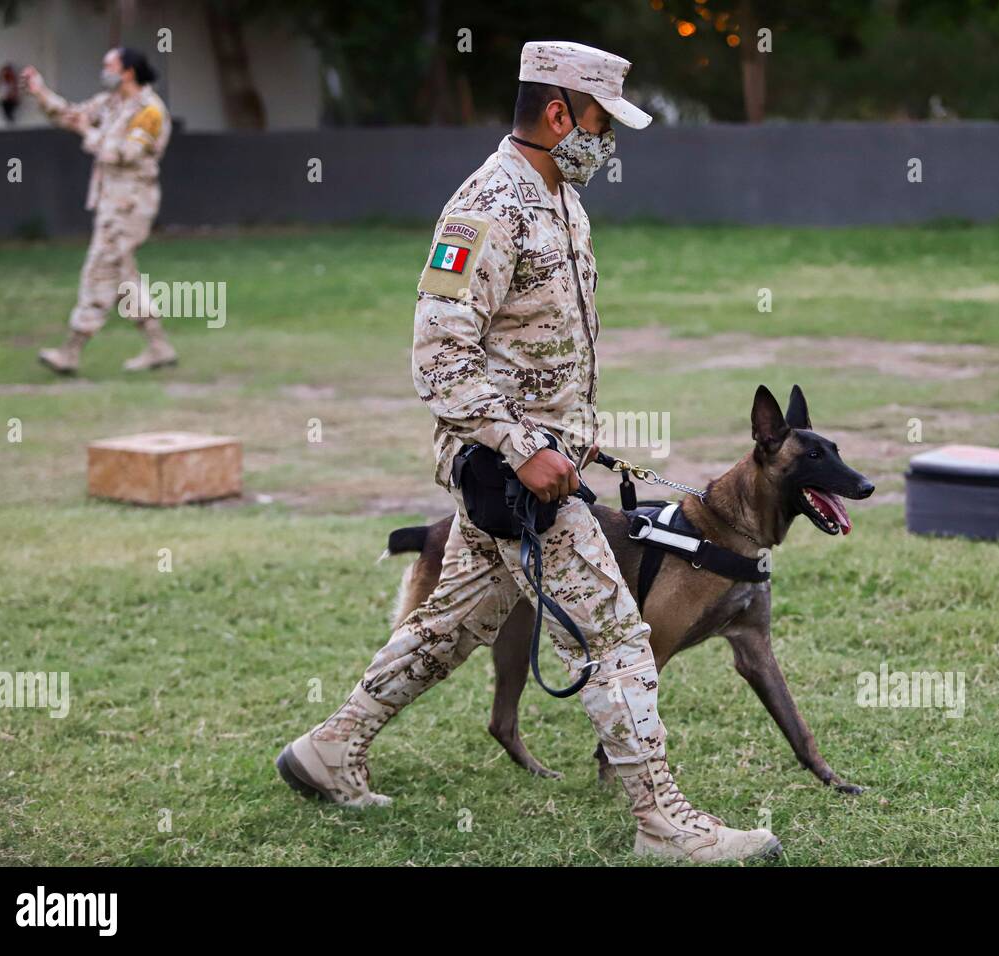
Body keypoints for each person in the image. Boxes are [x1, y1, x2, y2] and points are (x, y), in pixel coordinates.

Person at [277, 41, 780, 863]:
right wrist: (520, 448)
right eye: (599, 123)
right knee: (619, 633)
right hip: (512, 477)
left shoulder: (563, 198)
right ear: (557, 113)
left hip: (542, 468)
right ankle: (664, 825)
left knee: (452, 624)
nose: (607, 142)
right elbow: (438, 358)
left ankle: (328, 750)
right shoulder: (486, 206)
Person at [23, 48, 176, 375]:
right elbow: (70, 114)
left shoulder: (150, 111)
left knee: (98, 273)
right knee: (124, 280)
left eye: (109, 65)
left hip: (130, 205)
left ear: (129, 72)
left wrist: (87, 133)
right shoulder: (110, 103)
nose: (103, 71)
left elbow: (124, 153)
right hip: (110, 203)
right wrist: (40, 92)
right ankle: (159, 347)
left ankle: (71, 351)